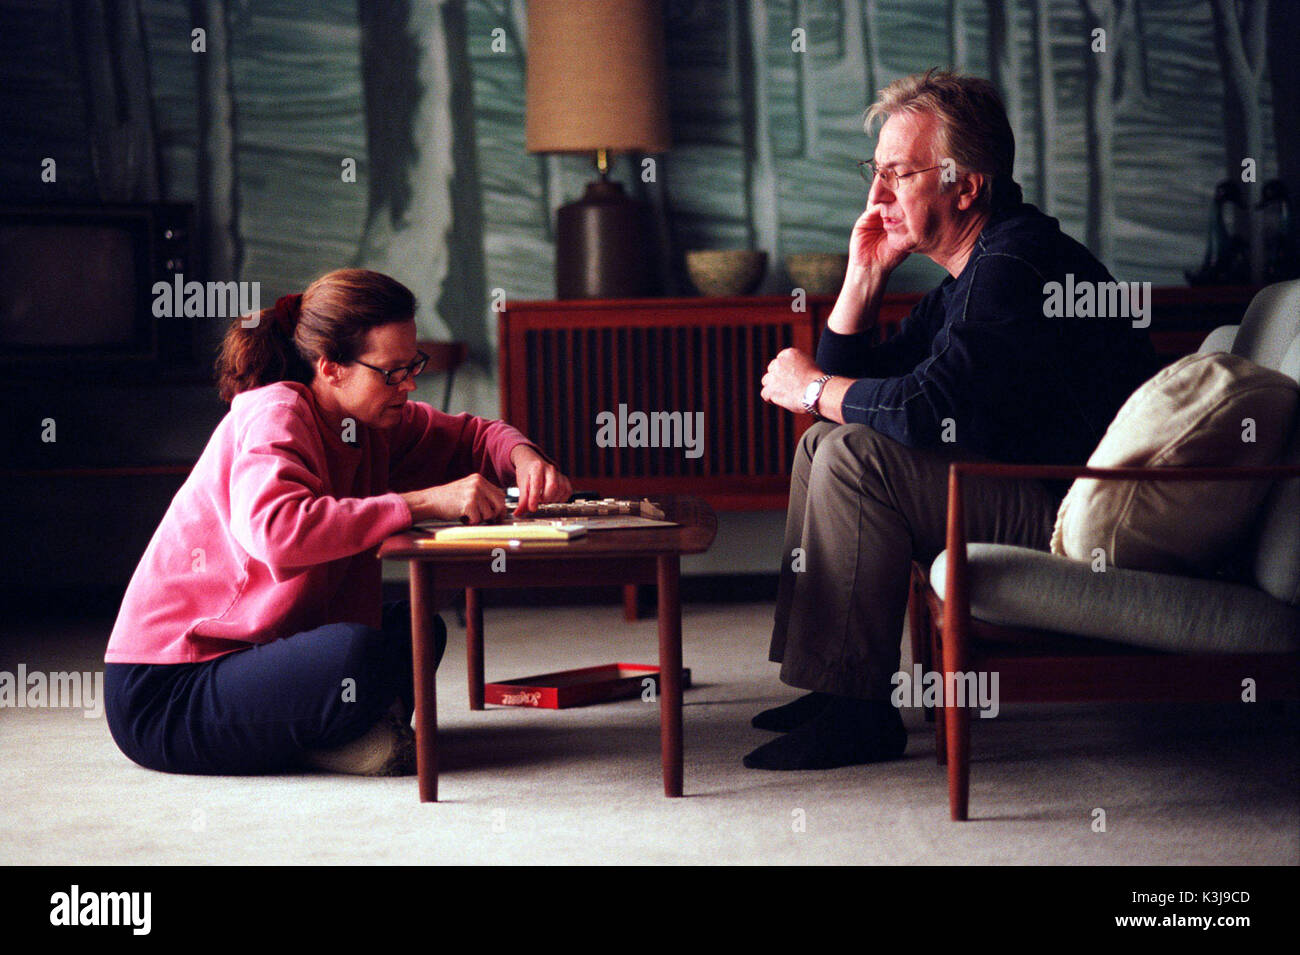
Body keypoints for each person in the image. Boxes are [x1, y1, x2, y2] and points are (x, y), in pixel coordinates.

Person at [750, 69, 1160, 770]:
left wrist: (814, 385)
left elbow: (924, 408)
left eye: (898, 174)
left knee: (852, 453)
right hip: (1032, 488)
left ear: (965, 185)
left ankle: (859, 714)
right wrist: (862, 279)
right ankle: (834, 686)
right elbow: (879, 380)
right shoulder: (975, 269)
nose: (877, 196)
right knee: (825, 441)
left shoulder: (1014, 269)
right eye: (873, 173)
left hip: (1072, 515)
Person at [104, 268, 571, 777]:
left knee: (413, 630)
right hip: (167, 692)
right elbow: (278, 531)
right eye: (392, 372)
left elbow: (475, 437)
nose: (409, 384)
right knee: (354, 653)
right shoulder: (274, 412)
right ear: (330, 369)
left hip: (253, 661)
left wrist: (524, 458)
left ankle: (331, 735)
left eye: (412, 365)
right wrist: (418, 503)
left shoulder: (369, 419)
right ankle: (338, 735)